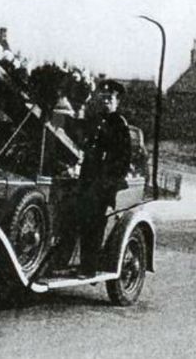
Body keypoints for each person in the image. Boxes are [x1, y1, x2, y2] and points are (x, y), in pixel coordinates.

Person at [77, 79, 132, 278]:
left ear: (117, 102)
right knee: (83, 220)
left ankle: (89, 268)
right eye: (104, 97)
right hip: (89, 180)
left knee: (94, 223)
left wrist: (108, 186)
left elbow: (123, 161)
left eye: (111, 99)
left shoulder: (119, 126)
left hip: (104, 184)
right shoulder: (95, 120)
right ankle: (81, 263)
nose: (106, 102)